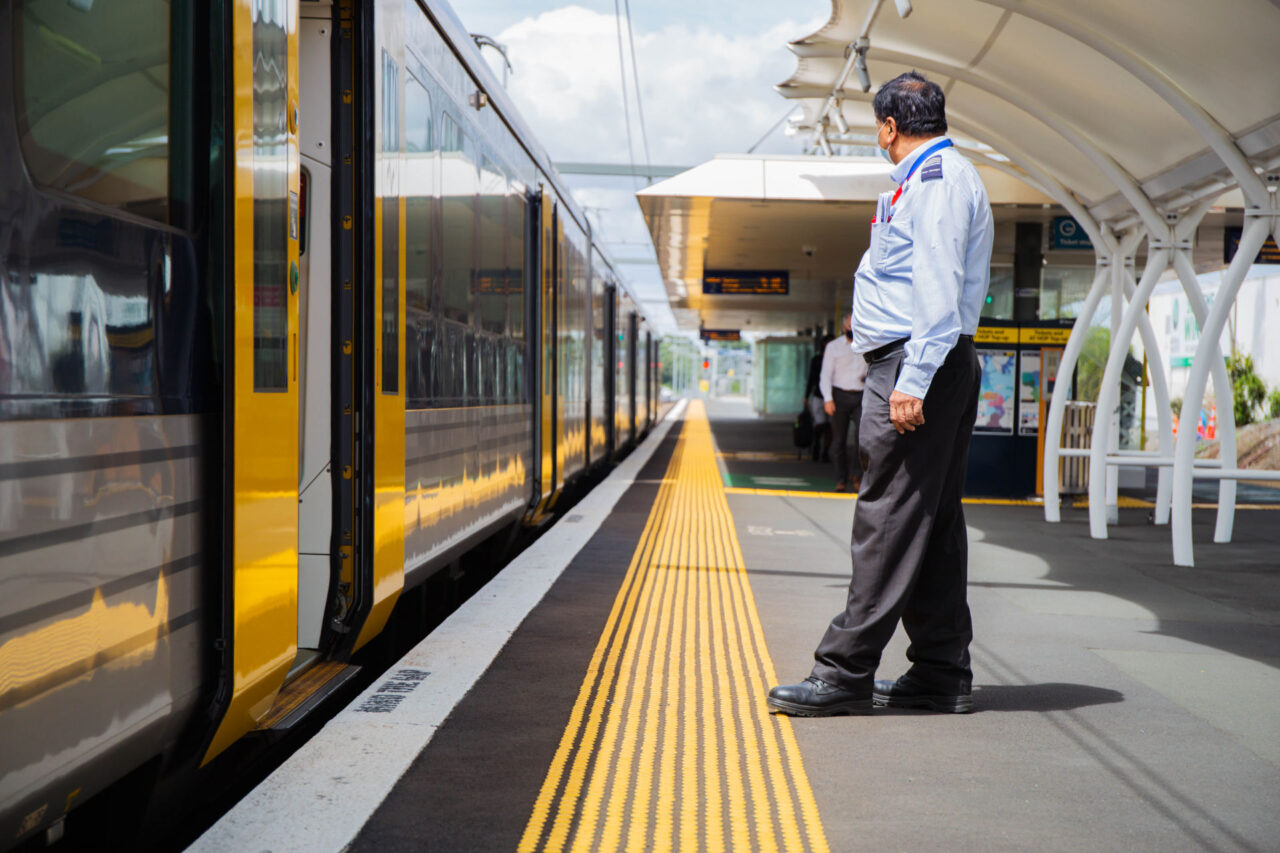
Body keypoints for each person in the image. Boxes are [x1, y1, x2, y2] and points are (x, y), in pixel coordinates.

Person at [767, 70, 993, 716]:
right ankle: (942, 668)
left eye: (877, 128)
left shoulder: (937, 183)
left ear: (890, 126)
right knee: (933, 521)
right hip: (923, 363)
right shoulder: (932, 181)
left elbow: (937, 291)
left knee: (885, 516)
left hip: (917, 365)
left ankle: (844, 671)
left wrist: (911, 381)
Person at [819, 315, 869, 491]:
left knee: (861, 439)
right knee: (838, 441)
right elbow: (825, 374)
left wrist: (868, 376)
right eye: (849, 324)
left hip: (861, 396)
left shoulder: (867, 344)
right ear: (843, 328)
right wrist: (828, 399)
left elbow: (876, 367)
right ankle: (841, 478)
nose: (852, 327)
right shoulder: (834, 347)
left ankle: (856, 476)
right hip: (839, 396)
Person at [804, 336, 831, 461]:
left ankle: (825, 451)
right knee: (820, 424)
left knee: (830, 427)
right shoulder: (817, 360)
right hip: (819, 396)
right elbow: (811, 379)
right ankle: (816, 445)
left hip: (834, 397)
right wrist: (806, 396)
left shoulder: (836, 360)